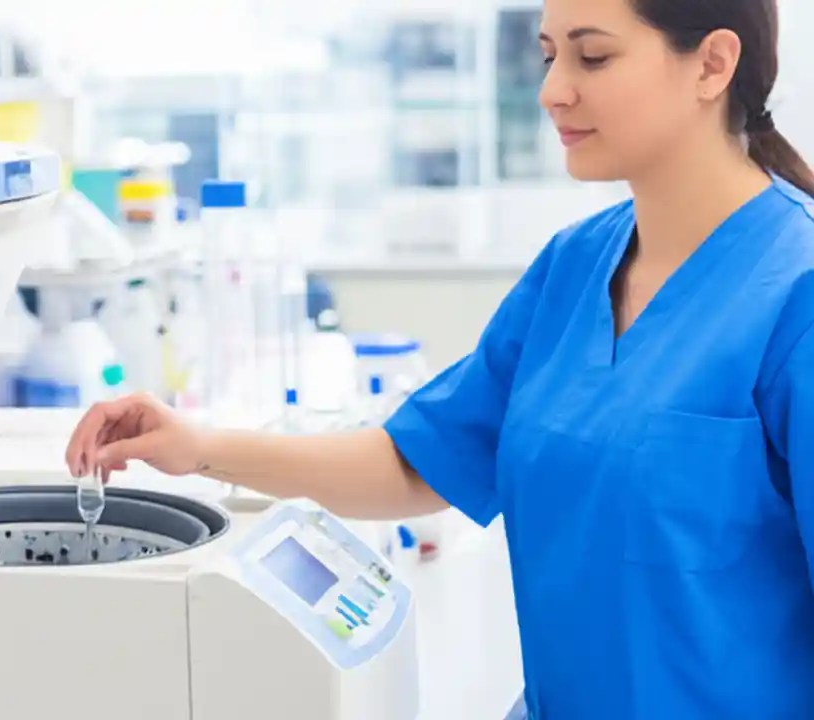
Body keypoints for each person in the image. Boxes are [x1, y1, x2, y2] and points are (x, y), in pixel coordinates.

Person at [65, 0, 814, 716]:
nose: (553, 91)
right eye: (549, 56)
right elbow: (420, 461)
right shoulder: (576, 267)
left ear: (711, 64)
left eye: (593, 56)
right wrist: (198, 449)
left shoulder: (795, 291)